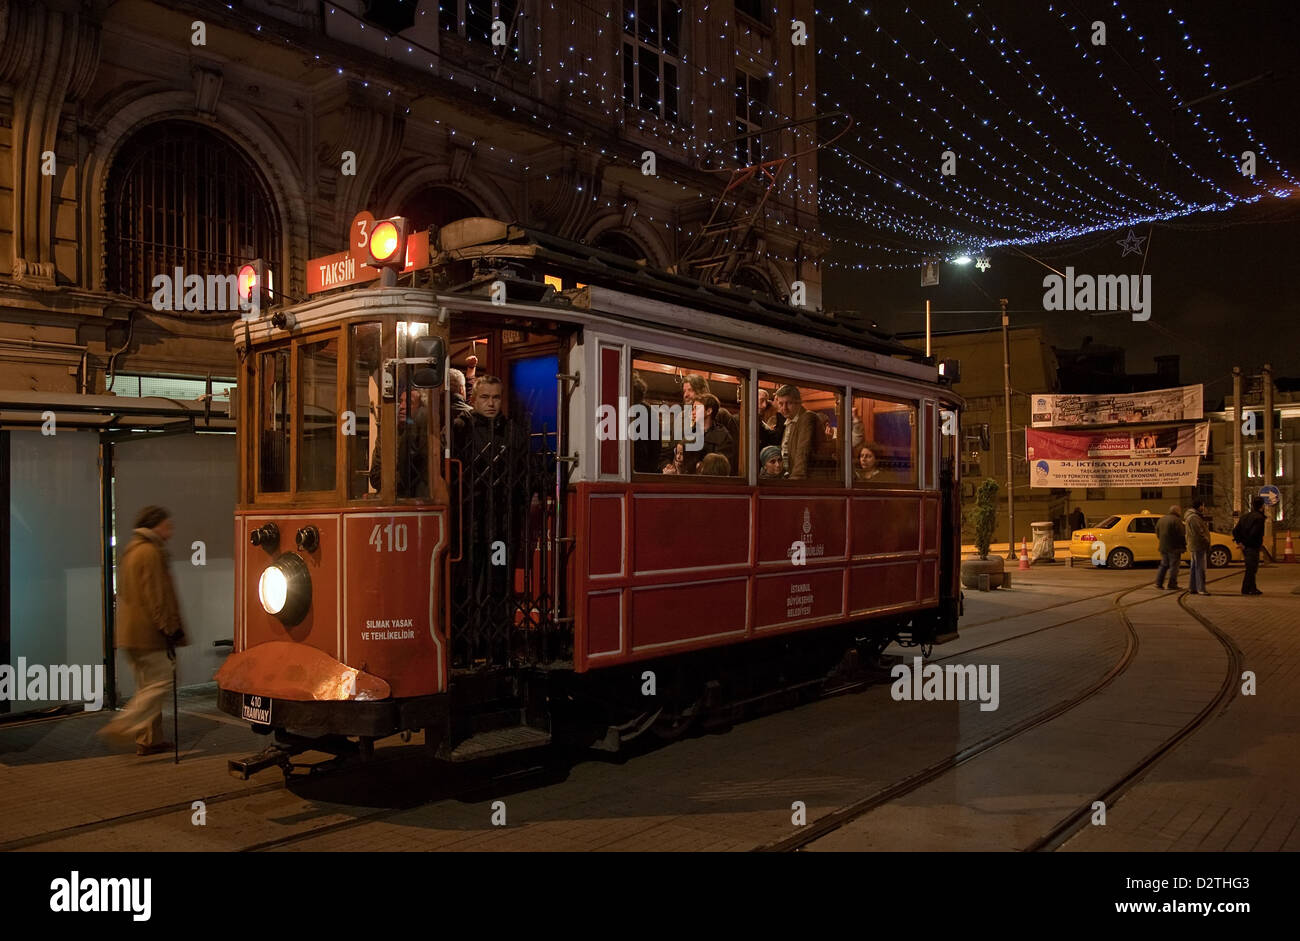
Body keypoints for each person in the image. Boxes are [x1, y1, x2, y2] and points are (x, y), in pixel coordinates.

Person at [451, 375, 532, 664]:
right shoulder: (463, 429)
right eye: (485, 397)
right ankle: (466, 644)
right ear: (474, 399)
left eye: (496, 398)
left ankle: (498, 641)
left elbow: (526, 474)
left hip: (501, 521)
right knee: (468, 582)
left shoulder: (513, 431)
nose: (491, 403)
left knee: (499, 580)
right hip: (470, 519)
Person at [98, 506, 188, 756]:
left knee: (146, 686)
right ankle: (123, 725)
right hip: (148, 634)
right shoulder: (150, 552)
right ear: (156, 525)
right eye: (167, 526)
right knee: (163, 680)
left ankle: (149, 740)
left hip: (131, 633)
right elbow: (157, 598)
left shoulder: (132, 550)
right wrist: (170, 629)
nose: (170, 531)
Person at [775, 384, 814, 480]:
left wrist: (796, 479)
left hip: (803, 481)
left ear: (799, 403)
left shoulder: (806, 418)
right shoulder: (789, 421)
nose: (784, 408)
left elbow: (803, 451)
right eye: (781, 404)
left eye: (789, 403)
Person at [683, 373, 738, 439]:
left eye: (690, 390)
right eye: (684, 391)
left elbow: (735, 442)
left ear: (702, 391)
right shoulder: (683, 416)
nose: (685, 395)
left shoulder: (721, 414)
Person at [1232, 496, 1267, 595]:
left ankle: (1252, 587)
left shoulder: (1245, 517)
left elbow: (1235, 531)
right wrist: (1246, 544)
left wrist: (1240, 542)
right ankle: (1246, 589)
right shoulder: (1259, 518)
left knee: (1250, 567)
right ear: (1262, 506)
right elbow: (1254, 533)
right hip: (1252, 546)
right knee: (1252, 568)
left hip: (1245, 546)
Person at [697, 392, 736, 473]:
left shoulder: (723, 437)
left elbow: (721, 467)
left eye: (696, 409)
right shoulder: (690, 432)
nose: (693, 412)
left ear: (708, 411)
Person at [1154, 505, 1186, 590]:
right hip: (1174, 547)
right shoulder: (1177, 521)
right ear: (1177, 511)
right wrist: (1183, 546)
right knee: (1174, 567)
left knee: (1164, 565)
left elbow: (1157, 532)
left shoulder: (1162, 519)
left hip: (1163, 546)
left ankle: (1159, 583)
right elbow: (1181, 534)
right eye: (1179, 510)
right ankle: (1172, 584)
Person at [1185, 499, 1212, 596]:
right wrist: (1206, 540)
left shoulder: (1193, 516)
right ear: (1199, 506)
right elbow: (1199, 532)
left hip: (1195, 545)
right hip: (1198, 545)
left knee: (1194, 567)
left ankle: (1193, 587)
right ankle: (1201, 588)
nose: (1204, 508)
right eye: (1203, 506)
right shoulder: (1194, 518)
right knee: (1200, 567)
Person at [757, 387, 785, 451]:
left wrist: (778, 409)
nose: (764, 405)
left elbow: (775, 438)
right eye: (761, 401)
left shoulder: (760, 423)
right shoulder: (741, 420)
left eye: (766, 402)